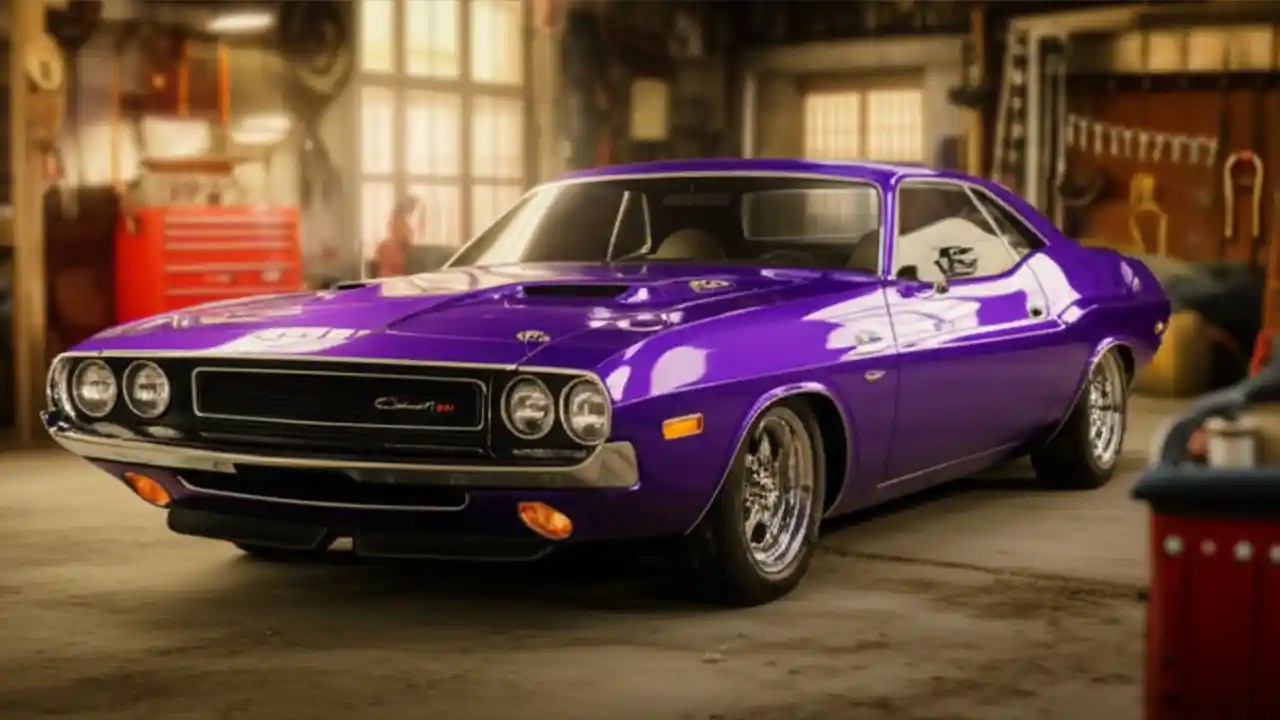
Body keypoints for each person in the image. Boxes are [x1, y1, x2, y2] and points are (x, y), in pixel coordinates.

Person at [374, 196, 420, 278]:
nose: (412, 211)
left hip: (397, 257)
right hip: (394, 258)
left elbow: (406, 241)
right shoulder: (399, 222)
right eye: (411, 208)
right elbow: (402, 239)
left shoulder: (402, 222)